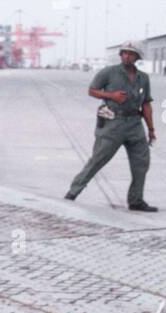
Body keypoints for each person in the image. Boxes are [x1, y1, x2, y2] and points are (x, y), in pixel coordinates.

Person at [64, 41, 158, 212]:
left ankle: (136, 200)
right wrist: (112, 96)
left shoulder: (143, 78)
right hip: (113, 123)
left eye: (131, 53)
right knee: (98, 159)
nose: (127, 56)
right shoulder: (109, 72)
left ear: (137, 57)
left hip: (135, 124)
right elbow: (92, 90)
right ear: (120, 55)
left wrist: (151, 129)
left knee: (141, 163)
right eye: (124, 53)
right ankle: (73, 191)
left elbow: (146, 104)